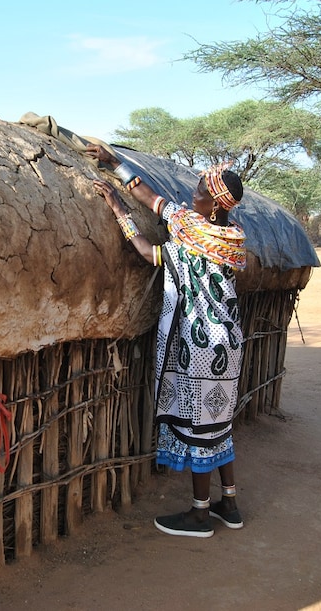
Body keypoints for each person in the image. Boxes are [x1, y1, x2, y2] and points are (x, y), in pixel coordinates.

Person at [86, 143, 247, 538]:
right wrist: (115, 162)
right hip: (229, 342)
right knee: (218, 423)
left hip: (199, 346)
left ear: (212, 205)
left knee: (197, 428)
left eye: (199, 194)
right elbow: (158, 203)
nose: (192, 196)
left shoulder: (192, 231)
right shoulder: (232, 237)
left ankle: (198, 514)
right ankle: (230, 503)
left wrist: (119, 209)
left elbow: (147, 242)